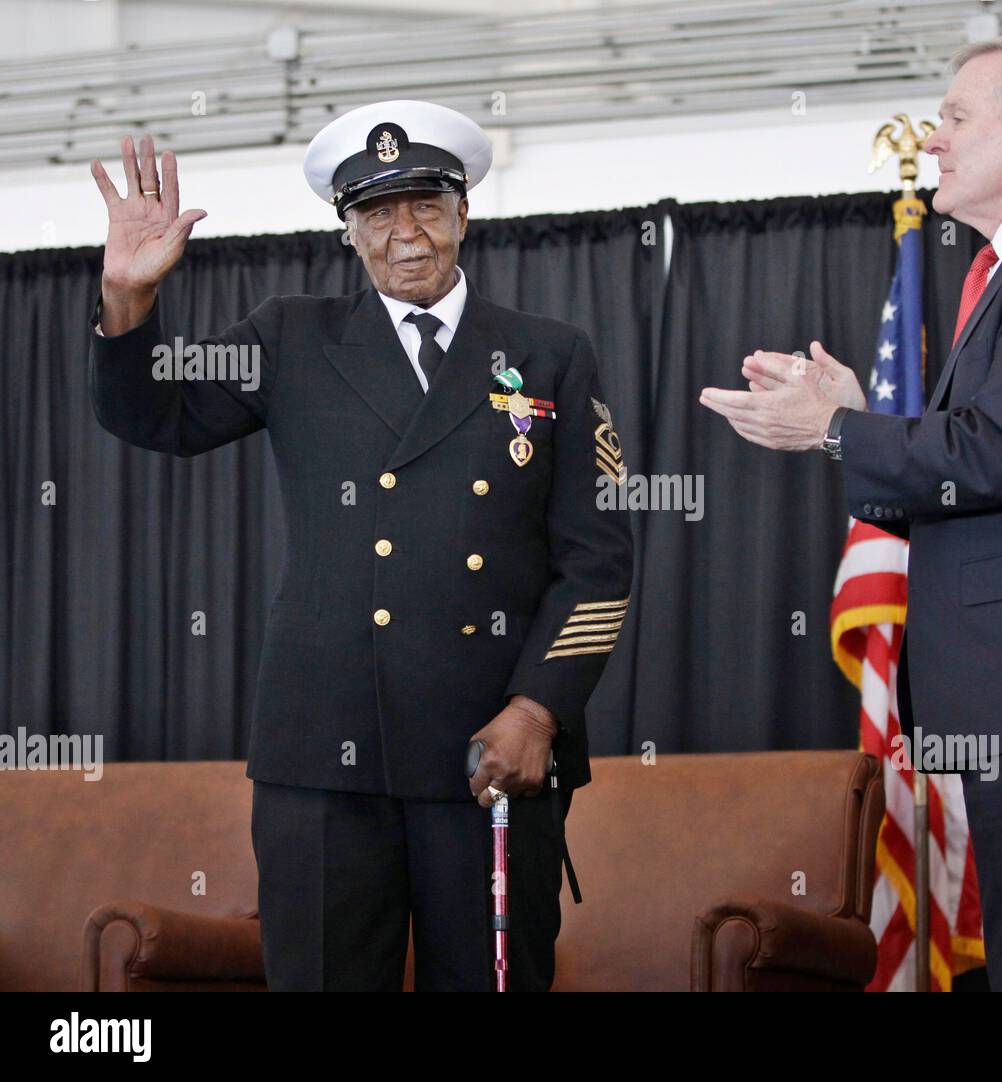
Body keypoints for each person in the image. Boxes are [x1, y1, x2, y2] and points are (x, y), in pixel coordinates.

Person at [88, 100, 633, 991]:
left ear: (464, 213)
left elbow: (599, 559)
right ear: (347, 232)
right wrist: (130, 296)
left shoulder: (549, 355)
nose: (405, 234)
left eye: (425, 205)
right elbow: (158, 414)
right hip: (323, 752)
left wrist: (539, 710)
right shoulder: (290, 337)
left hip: (489, 748)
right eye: (377, 213)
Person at [700, 35, 1002, 991]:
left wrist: (838, 428)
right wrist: (860, 420)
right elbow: (985, 470)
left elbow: (1001, 454)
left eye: (956, 116)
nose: (935, 137)